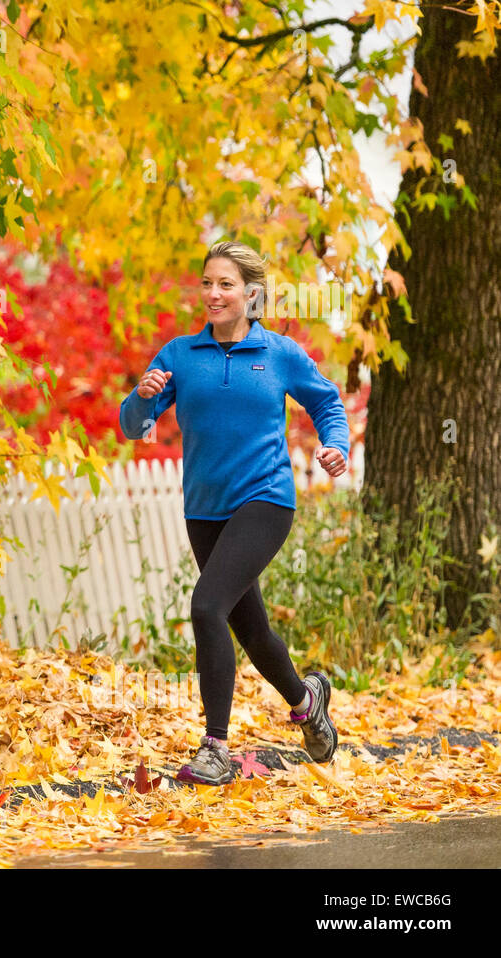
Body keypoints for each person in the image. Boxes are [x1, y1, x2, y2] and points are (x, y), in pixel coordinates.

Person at [117, 240, 348, 785]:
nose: (213, 294)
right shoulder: (178, 355)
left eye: (225, 284)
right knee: (252, 629)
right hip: (204, 509)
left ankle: (215, 748)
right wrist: (143, 396)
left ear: (251, 293)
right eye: (207, 284)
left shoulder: (279, 353)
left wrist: (333, 442)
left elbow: (327, 401)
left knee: (206, 607)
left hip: (265, 499)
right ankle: (307, 701)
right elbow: (132, 425)